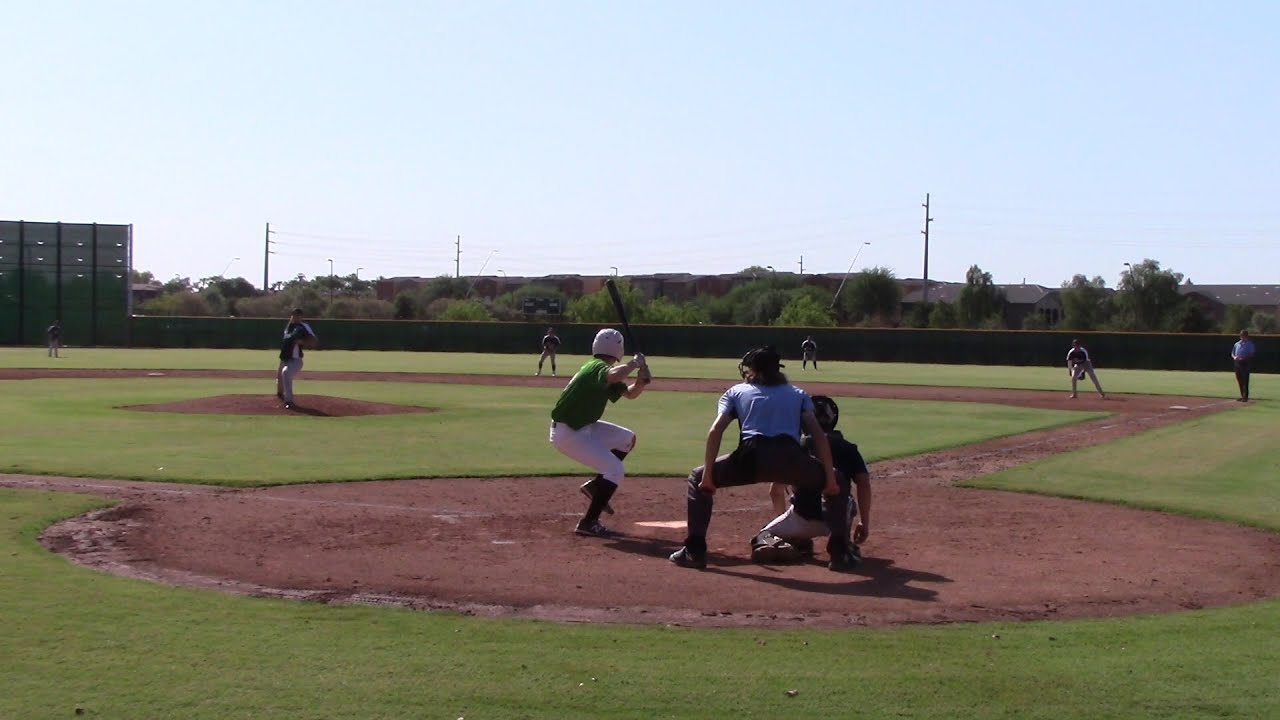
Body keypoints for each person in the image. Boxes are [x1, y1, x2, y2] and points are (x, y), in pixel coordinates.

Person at [669, 346, 857, 571]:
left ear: (753, 370)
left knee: (696, 477)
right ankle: (840, 553)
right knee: (840, 480)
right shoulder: (797, 394)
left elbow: (715, 431)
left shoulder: (736, 391)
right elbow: (817, 435)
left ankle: (695, 550)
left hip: (750, 458)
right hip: (791, 460)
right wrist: (830, 479)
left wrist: (708, 476)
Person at [549, 328, 651, 537]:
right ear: (618, 350)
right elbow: (613, 375)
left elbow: (630, 394)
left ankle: (597, 486)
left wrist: (641, 382)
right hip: (568, 432)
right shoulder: (597, 367)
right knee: (615, 469)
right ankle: (588, 522)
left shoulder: (603, 370)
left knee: (626, 439)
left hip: (582, 427)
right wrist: (634, 364)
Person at [750, 396, 871, 567]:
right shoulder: (848, 448)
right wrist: (864, 523)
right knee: (847, 501)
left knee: (762, 536)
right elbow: (864, 484)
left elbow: (775, 491)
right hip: (837, 518)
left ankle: (781, 543)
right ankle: (842, 542)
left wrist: (791, 528)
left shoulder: (796, 447)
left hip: (802, 518)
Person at [277, 308, 317, 410]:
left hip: (295, 359)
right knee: (279, 385)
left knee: (285, 373)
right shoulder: (289, 326)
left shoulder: (303, 326)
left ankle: (289, 401)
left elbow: (314, 341)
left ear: (301, 316)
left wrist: (302, 342)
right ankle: (281, 396)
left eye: (297, 315)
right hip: (283, 358)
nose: (295, 316)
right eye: (293, 314)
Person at [1231, 330, 1256, 402]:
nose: (1242, 337)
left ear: (1247, 336)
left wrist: (1244, 358)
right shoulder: (1237, 344)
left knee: (1245, 380)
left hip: (1245, 363)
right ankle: (1242, 395)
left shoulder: (1250, 344)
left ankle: (1245, 396)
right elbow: (1232, 353)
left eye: (1244, 336)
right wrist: (1235, 357)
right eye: (1241, 335)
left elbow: (1252, 353)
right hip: (1237, 363)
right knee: (1239, 379)